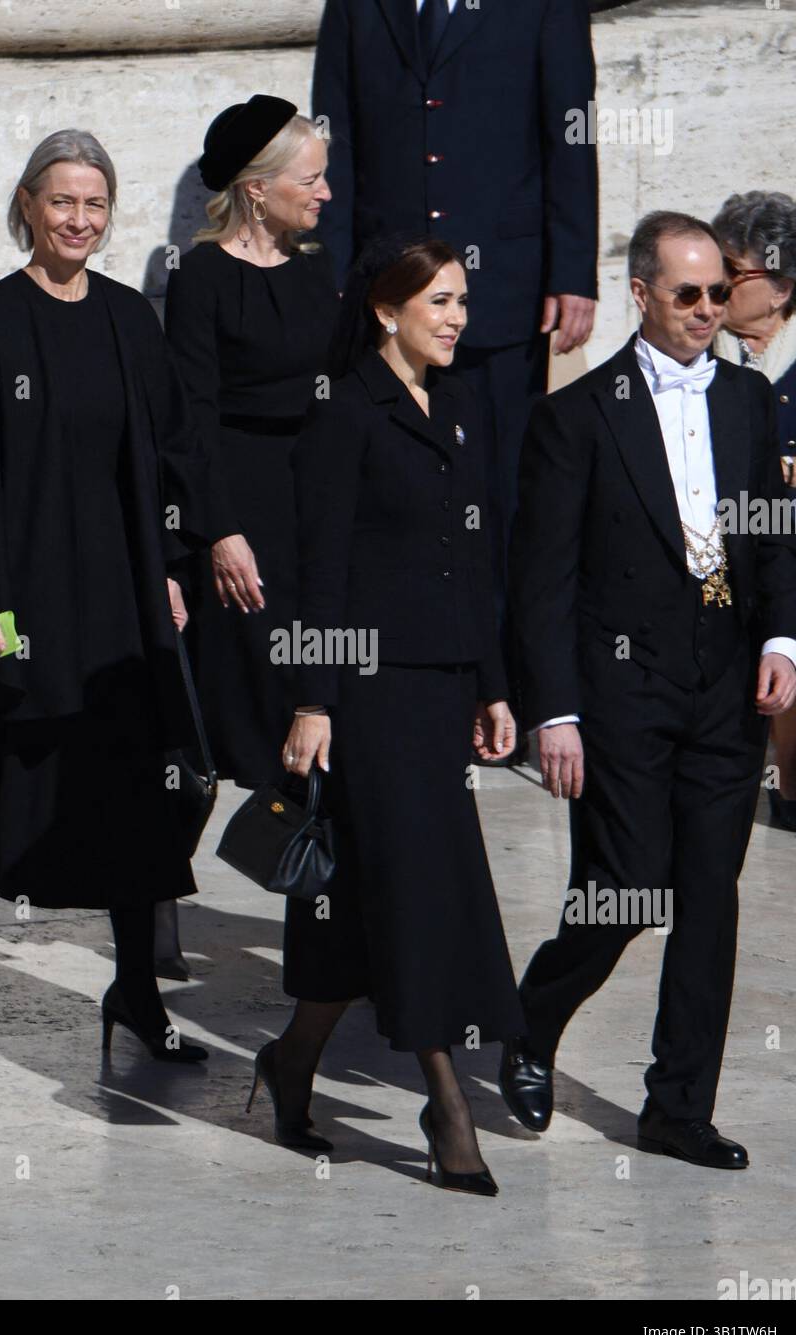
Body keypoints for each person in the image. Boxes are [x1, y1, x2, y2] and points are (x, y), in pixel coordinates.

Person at [0, 129, 212, 1063]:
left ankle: (137, 989)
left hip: (113, 597)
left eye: (94, 204)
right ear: (26, 205)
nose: (79, 220)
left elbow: (171, 453)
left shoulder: (128, 322)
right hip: (9, 592)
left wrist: (175, 571)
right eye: (61, 201)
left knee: (132, 784)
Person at [501, 211, 796, 1170]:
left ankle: (676, 1108)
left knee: (709, 900)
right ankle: (528, 1023)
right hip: (622, 692)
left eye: (720, 291)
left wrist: (784, 638)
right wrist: (554, 711)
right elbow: (541, 581)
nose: (708, 310)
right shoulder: (576, 416)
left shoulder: (749, 404)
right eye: (687, 294)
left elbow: (769, 534)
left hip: (725, 686)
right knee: (624, 894)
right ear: (640, 294)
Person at [247, 237, 525, 1197]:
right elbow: (314, 565)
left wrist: (491, 684)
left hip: (442, 687)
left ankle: (291, 1062)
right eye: (437, 301)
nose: (454, 318)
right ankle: (446, 1104)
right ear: (384, 309)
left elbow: (474, 561)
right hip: (365, 693)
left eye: (460, 301)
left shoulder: (456, 405)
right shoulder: (343, 411)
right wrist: (314, 699)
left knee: (367, 902)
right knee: (419, 891)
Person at [311, 0, 598, 621]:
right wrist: (337, 271)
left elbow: (571, 126)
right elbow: (336, 131)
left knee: (499, 493)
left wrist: (573, 270)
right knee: (394, 486)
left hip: (504, 292)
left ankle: (499, 678)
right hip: (387, 287)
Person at [165, 95, 339, 789]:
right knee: (254, 693)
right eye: (310, 180)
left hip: (317, 495)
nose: (326, 193)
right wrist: (219, 531)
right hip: (242, 501)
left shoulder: (319, 267)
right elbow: (189, 417)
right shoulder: (201, 276)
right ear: (257, 188)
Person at [712, 190, 796, 834]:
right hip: (719, 538)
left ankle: (789, 770)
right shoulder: (698, 349)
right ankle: (785, 767)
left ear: (780, 287)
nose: (715, 286)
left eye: (733, 272)